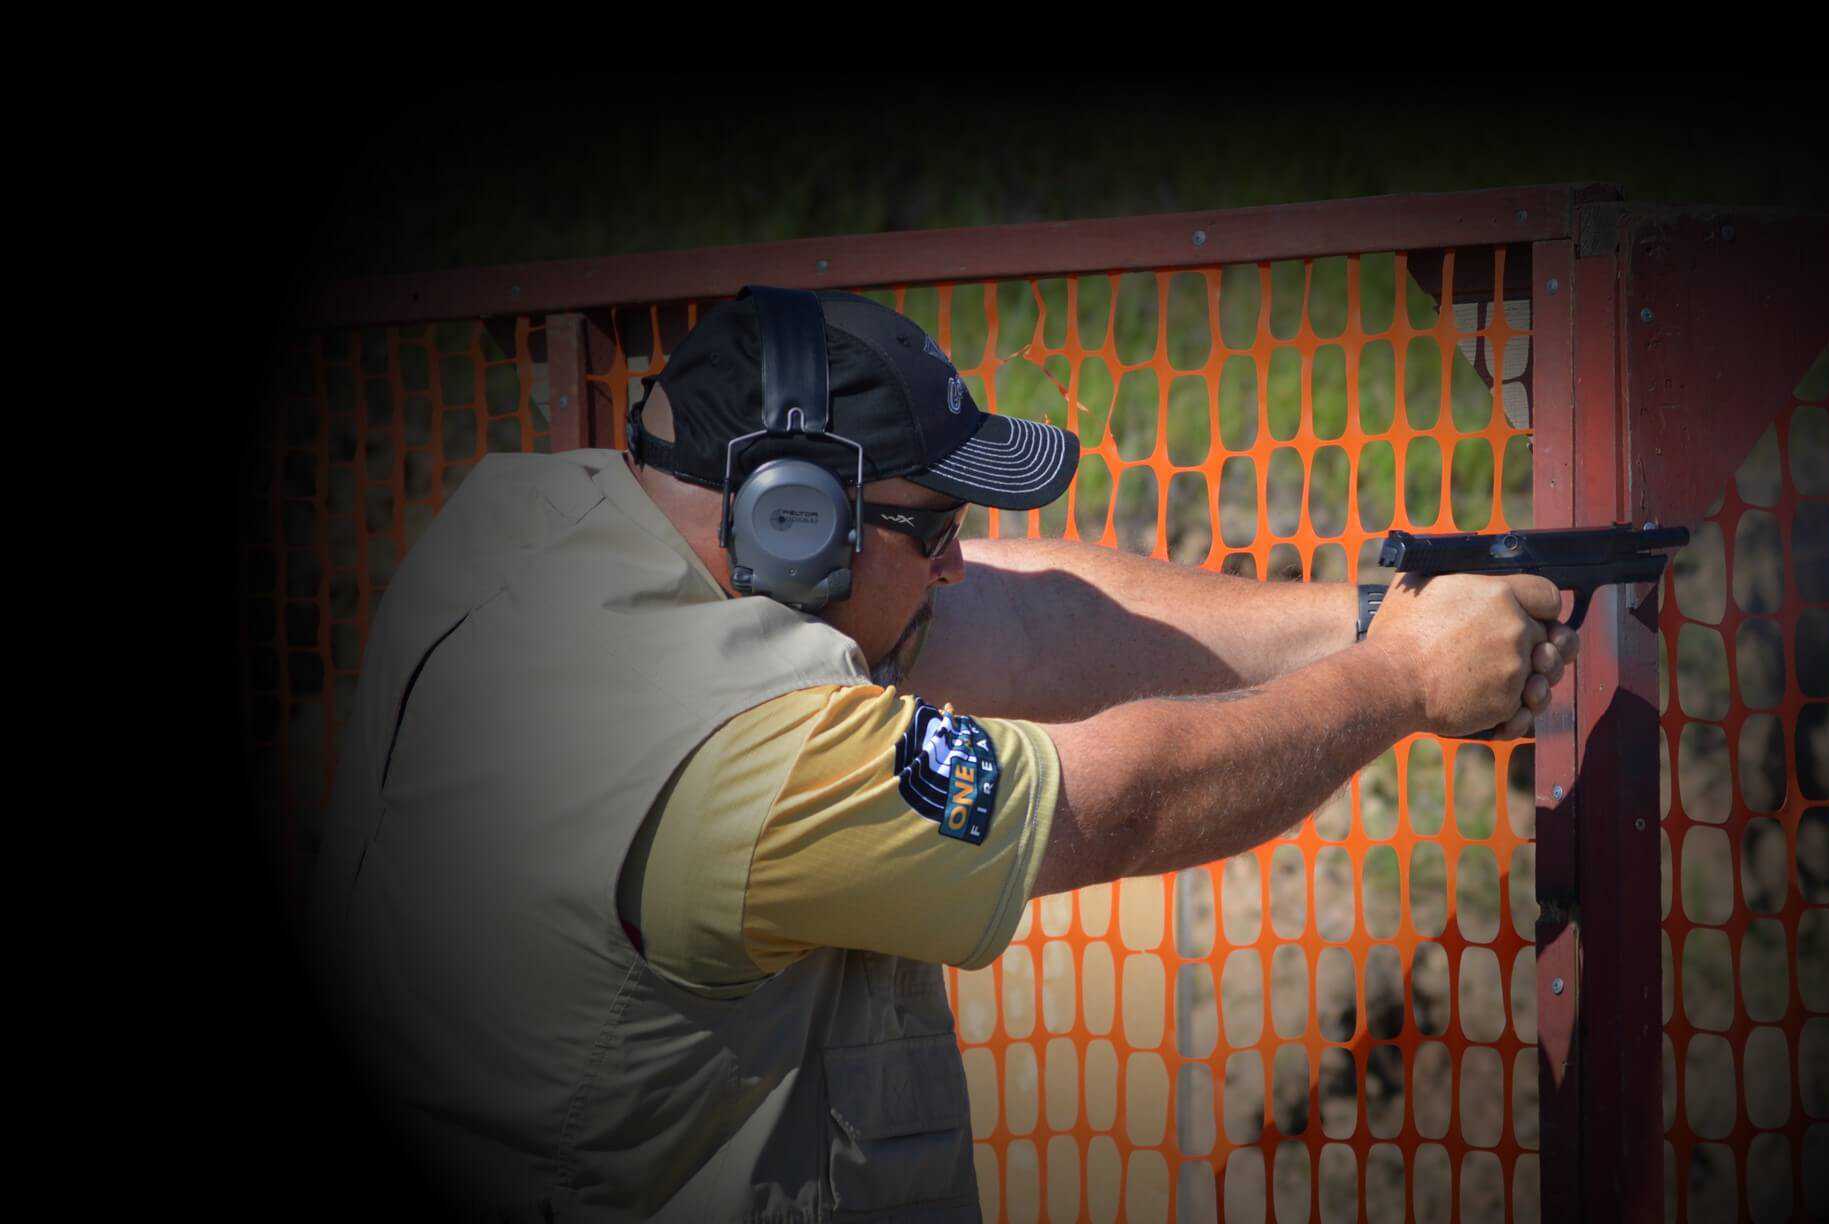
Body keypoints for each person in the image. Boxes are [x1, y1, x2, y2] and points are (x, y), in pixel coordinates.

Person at [306, 288, 1577, 1221]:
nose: (962, 556)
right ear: (790, 521)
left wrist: (1362, 618)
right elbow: (1123, 805)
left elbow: (1008, 614)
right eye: (935, 523)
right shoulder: (759, 763)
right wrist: (1405, 679)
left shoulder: (537, 523)